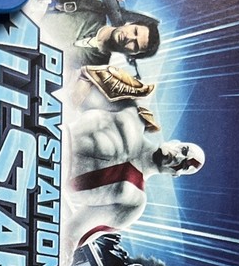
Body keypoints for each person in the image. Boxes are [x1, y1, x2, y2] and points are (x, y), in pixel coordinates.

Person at [65, 76, 205, 243]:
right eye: (184, 150)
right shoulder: (133, 115)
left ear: (176, 174)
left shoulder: (132, 201)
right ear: (175, 142)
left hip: (47, 180)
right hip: (46, 130)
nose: (179, 157)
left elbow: (73, 235)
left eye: (184, 165)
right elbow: (80, 82)